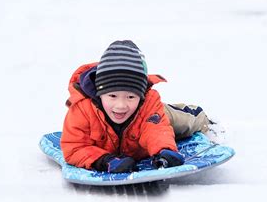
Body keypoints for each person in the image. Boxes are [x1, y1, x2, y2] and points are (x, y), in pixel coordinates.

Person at [61, 39, 211, 173]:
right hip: (122, 139)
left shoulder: (148, 103)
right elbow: (75, 147)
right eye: (112, 96)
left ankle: (202, 118)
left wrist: (164, 151)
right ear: (99, 94)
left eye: (131, 97)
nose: (120, 105)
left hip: (154, 115)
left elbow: (156, 130)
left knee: (183, 122)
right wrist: (105, 160)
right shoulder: (81, 108)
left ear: (141, 95)